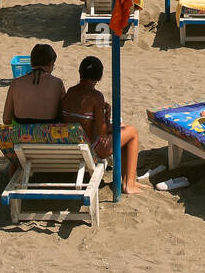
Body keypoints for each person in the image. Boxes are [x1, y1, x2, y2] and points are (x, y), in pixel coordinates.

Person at [61, 55, 144, 193]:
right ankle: (129, 184)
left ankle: (126, 179)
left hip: (72, 145)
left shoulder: (70, 91)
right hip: (90, 148)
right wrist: (108, 115)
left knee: (123, 131)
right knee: (132, 131)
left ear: (80, 72)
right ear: (99, 77)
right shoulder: (96, 96)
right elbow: (103, 131)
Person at [2, 44, 64, 129]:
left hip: (21, 139)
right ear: (51, 64)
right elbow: (64, 117)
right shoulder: (58, 83)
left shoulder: (15, 83)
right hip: (48, 139)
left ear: (31, 63)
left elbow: (6, 119)